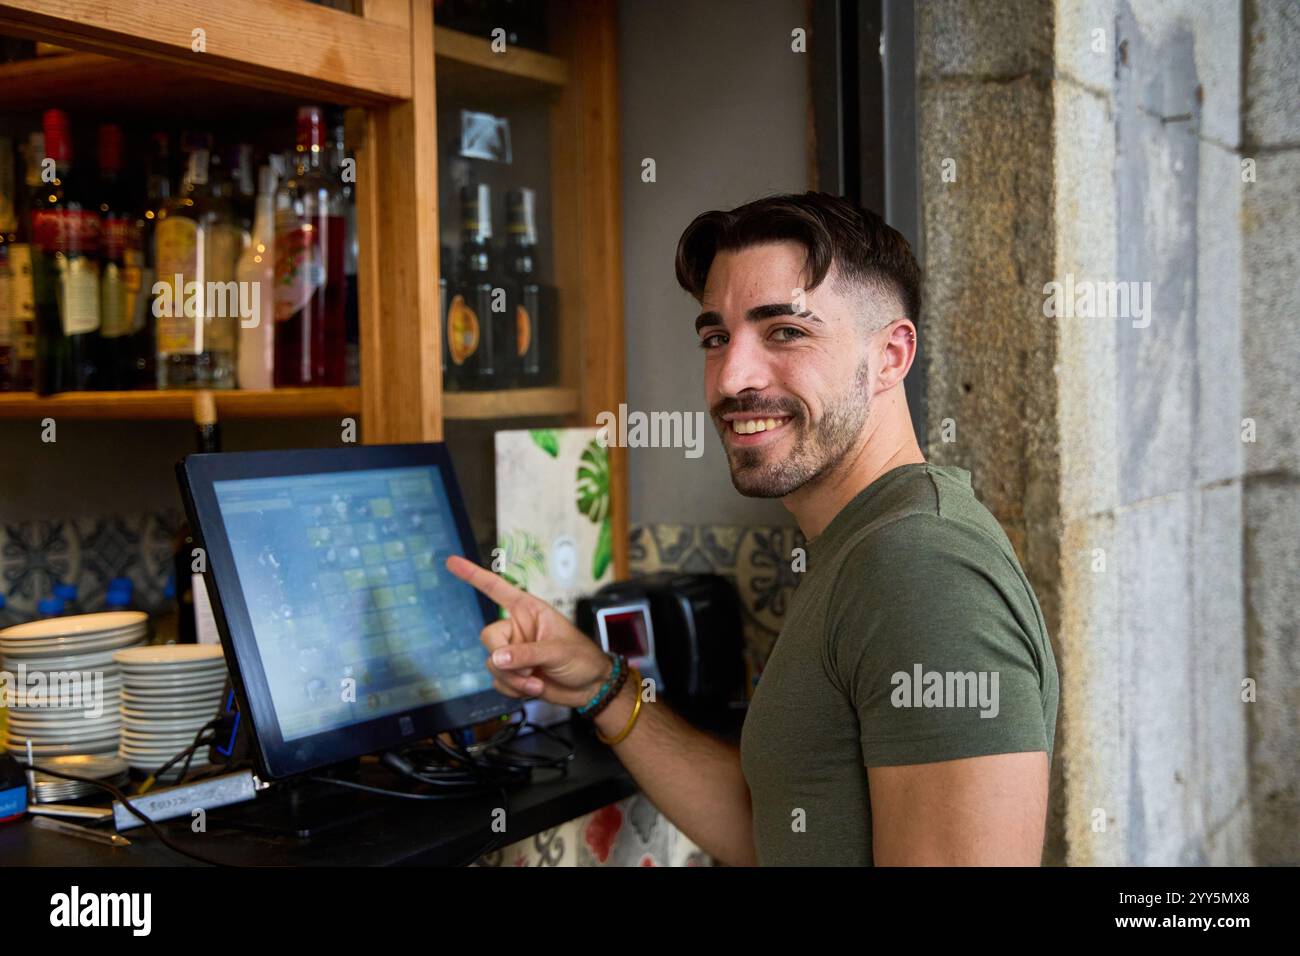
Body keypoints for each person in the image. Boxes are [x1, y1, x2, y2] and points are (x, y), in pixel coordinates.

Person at [447, 192, 1059, 866]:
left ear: (891, 356)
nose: (731, 377)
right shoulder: (861, 546)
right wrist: (601, 684)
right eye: (716, 338)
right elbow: (775, 824)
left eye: (785, 331)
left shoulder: (921, 571)